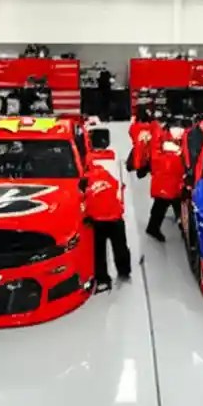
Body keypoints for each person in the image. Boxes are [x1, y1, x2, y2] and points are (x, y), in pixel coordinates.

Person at [84, 161, 130, 292]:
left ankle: (102, 278)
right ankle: (124, 271)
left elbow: (82, 199)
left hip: (97, 221)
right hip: (115, 218)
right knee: (120, 247)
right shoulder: (109, 176)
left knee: (99, 251)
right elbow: (119, 188)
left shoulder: (85, 180)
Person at [146, 138, 185, 242]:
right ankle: (184, 229)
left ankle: (152, 228)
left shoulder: (158, 158)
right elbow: (181, 173)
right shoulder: (178, 159)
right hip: (172, 189)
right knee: (180, 209)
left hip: (159, 188)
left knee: (158, 208)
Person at [127, 105, 157, 177]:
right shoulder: (153, 126)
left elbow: (131, 133)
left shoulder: (134, 127)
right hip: (150, 156)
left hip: (139, 157)